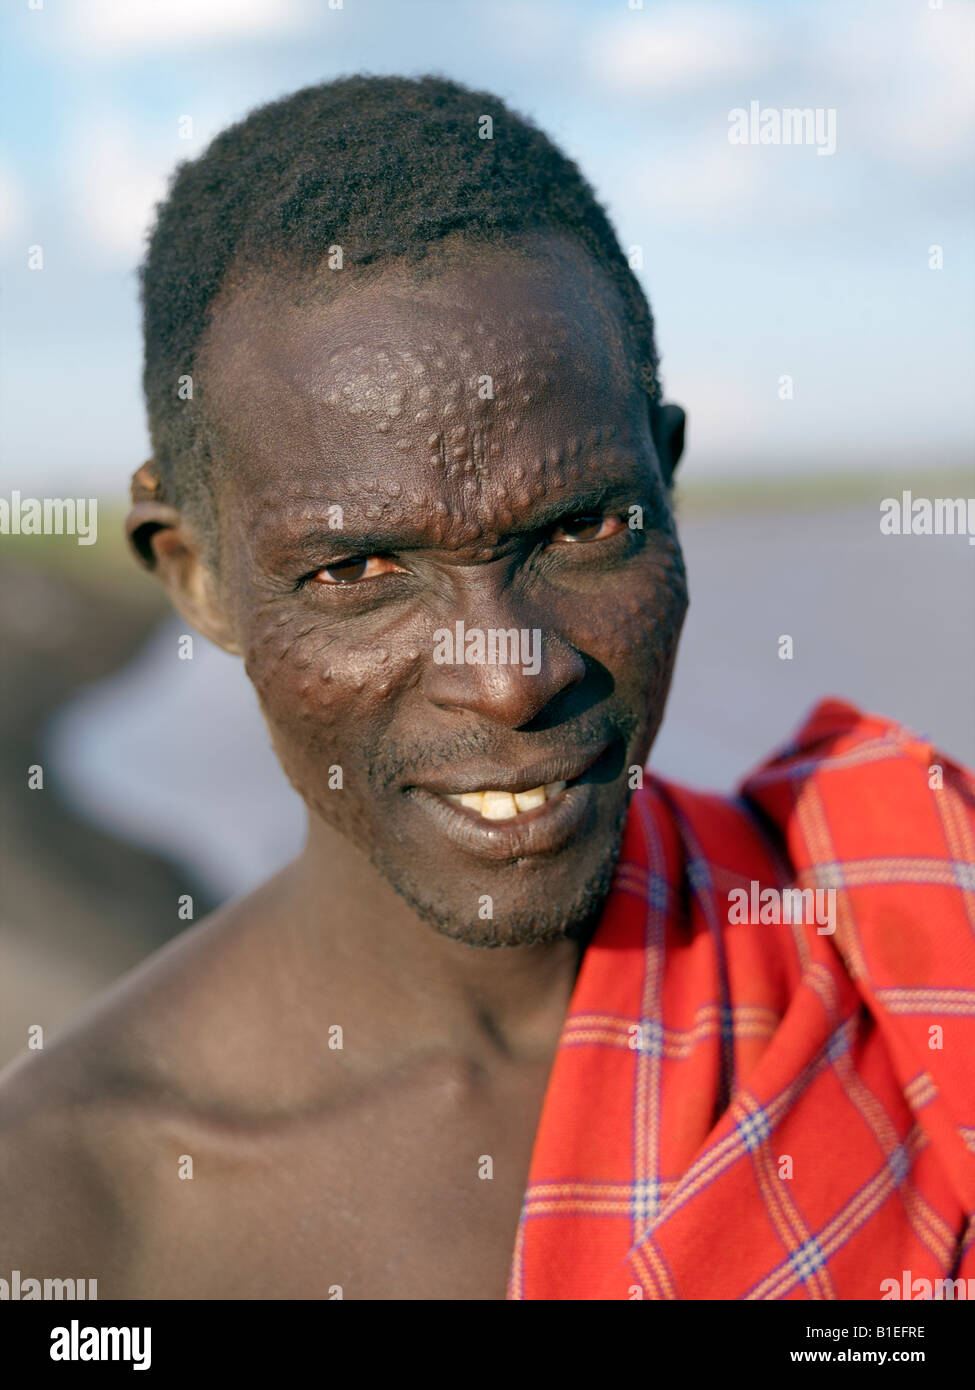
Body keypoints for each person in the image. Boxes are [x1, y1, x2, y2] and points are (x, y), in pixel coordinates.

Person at [1, 76, 972, 1301]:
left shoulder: (907, 945)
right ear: (197, 580)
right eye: (357, 569)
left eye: (582, 528)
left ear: (665, 490)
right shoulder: (68, 1216)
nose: (511, 680)